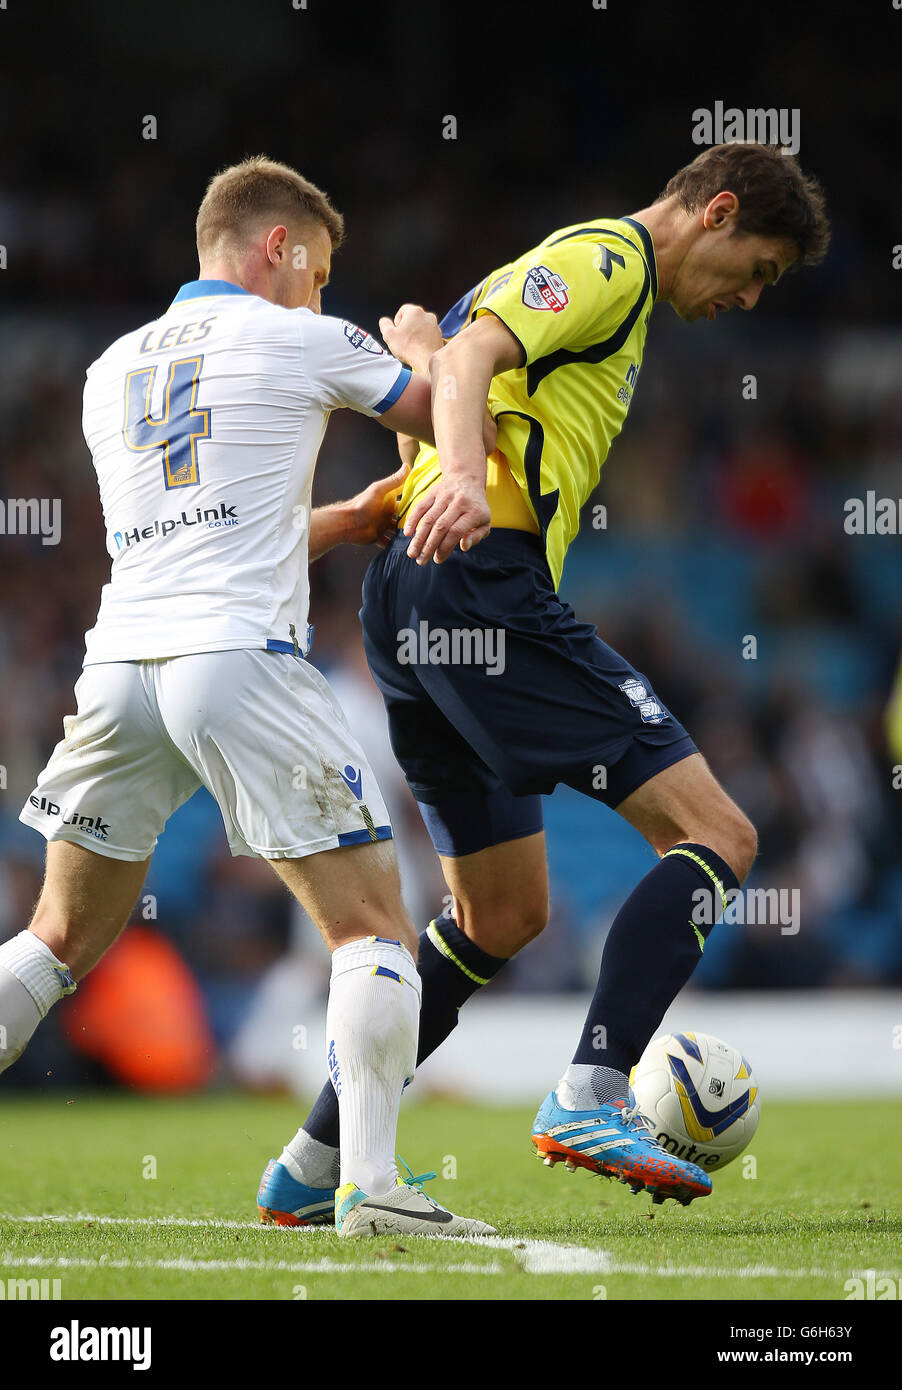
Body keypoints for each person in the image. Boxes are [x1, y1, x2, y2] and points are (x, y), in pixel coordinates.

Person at [266, 142, 830, 1220]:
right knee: (720, 833)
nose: (746, 297)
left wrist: (437, 363)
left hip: (409, 599)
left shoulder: (579, 283)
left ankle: (308, 1164)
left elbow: (462, 359)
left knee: (500, 913)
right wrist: (469, 472)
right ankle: (591, 1086)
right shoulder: (609, 261)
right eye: (753, 268)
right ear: (713, 213)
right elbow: (478, 355)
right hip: (480, 583)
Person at [1, 154, 494, 1240]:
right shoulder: (303, 336)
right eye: (320, 271)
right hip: (238, 658)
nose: (325, 294)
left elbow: (195, 533)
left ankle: (360, 1180)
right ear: (279, 246)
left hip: (124, 663)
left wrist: (339, 516)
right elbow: (453, 415)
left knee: (54, 940)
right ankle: (371, 1184)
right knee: (372, 926)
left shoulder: (107, 368)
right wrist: (427, 352)